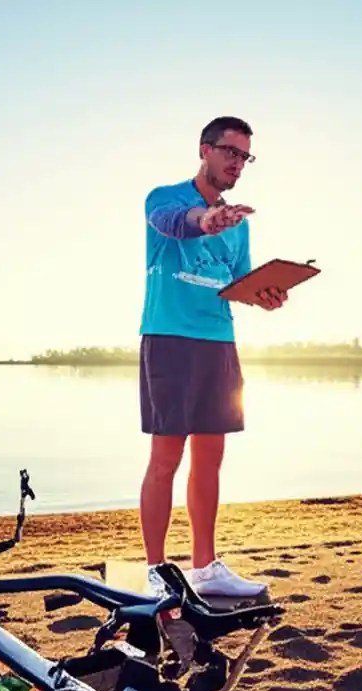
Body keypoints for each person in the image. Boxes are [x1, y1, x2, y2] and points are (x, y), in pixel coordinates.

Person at [137, 116, 287, 597]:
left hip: (219, 341)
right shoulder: (165, 197)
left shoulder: (238, 224)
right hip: (170, 338)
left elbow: (234, 282)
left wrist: (261, 294)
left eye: (245, 156)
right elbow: (175, 224)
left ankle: (205, 566)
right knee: (166, 457)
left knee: (211, 457)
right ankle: (157, 571)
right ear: (205, 149)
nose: (237, 163)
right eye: (230, 152)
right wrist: (205, 220)